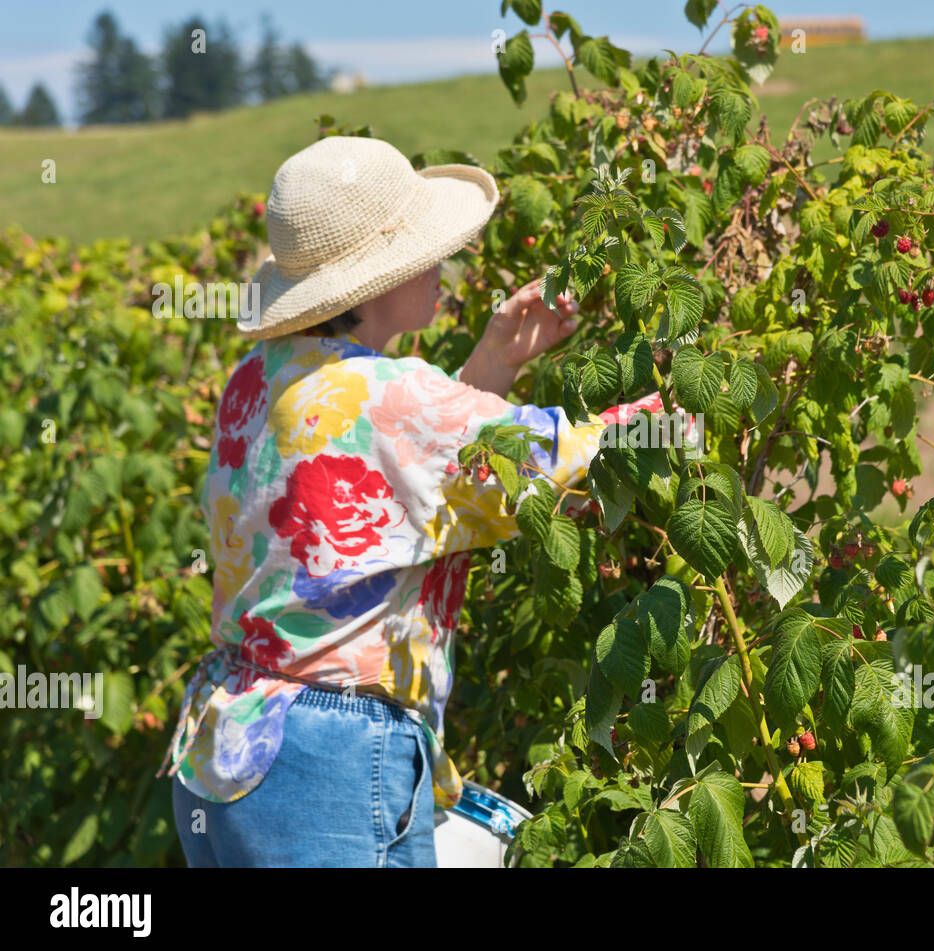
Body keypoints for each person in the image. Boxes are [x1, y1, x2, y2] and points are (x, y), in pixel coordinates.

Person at [162, 135, 661, 866]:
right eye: (425, 251)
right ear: (371, 282)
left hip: (228, 750)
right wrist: (688, 409)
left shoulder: (257, 377)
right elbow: (557, 461)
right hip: (329, 764)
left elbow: (407, 484)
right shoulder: (391, 393)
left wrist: (493, 362)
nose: (443, 264)